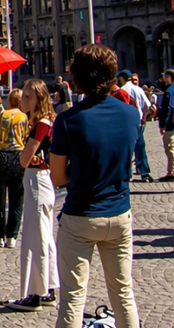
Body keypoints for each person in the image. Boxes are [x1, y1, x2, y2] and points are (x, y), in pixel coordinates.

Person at [50, 44, 140, 328]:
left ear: (77, 78)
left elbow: (58, 177)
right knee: (123, 293)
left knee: (73, 298)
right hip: (119, 212)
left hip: (80, 215)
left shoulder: (68, 120)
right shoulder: (131, 115)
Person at [6, 79, 59, 312]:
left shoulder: (41, 124)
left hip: (38, 180)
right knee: (44, 237)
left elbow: (24, 158)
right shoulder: (41, 121)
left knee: (34, 239)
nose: (23, 100)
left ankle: (35, 293)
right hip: (40, 180)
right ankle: (48, 288)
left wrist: (24, 152)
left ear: (39, 98)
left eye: (28, 96)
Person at [0, 88, 29, 248]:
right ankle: (12, 236)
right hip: (18, 156)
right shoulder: (24, 117)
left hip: (1, 156)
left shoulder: (2, 114)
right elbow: (25, 136)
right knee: (17, 199)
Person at [117, 70, 154, 182]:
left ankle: (127, 174)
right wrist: (143, 119)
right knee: (140, 148)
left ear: (122, 78)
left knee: (126, 149)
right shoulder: (139, 90)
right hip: (138, 123)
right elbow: (148, 106)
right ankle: (145, 172)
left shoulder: (121, 90)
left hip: (125, 124)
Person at [156, 70, 174, 181]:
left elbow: (165, 110)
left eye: (166, 77)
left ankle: (172, 172)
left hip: (170, 124)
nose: (164, 79)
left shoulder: (169, 91)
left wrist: (163, 125)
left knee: (170, 148)